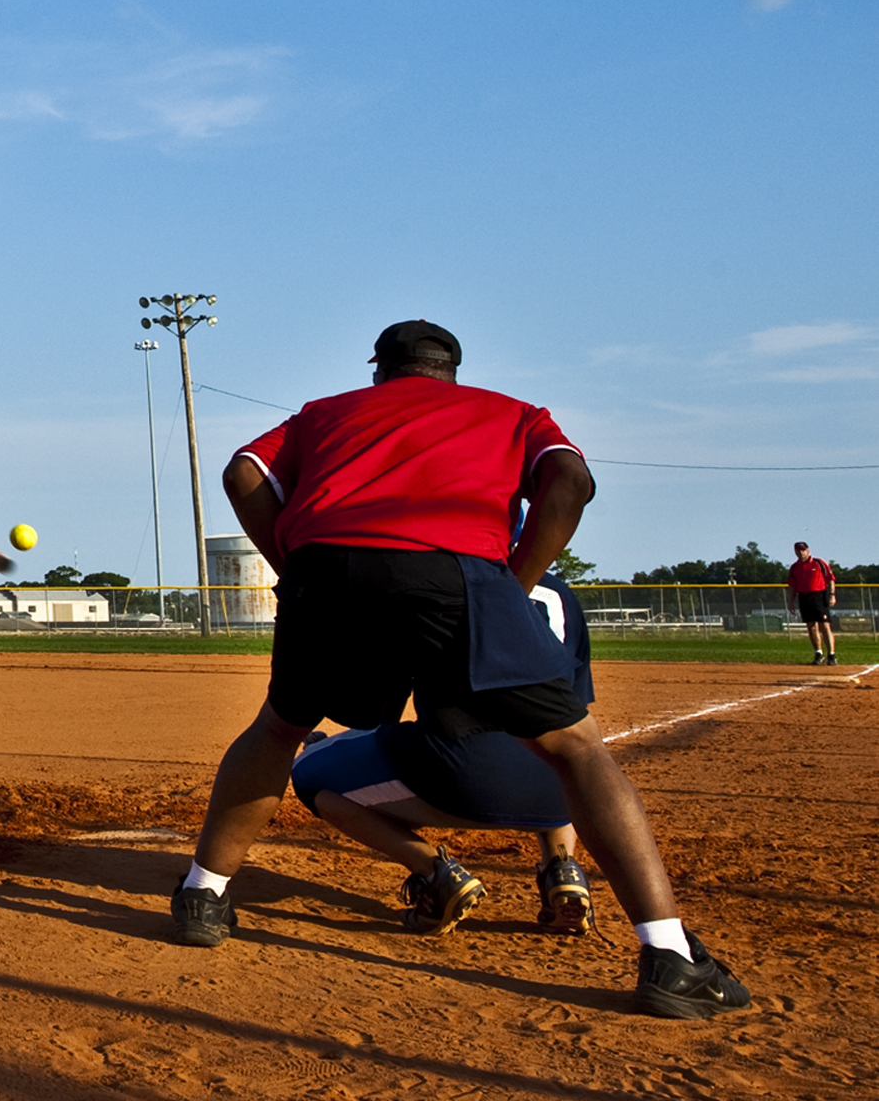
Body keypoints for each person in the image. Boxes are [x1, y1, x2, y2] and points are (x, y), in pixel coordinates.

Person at [173, 320, 749, 1020]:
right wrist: (515, 581)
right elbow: (570, 480)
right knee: (573, 747)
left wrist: (295, 561)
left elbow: (243, 473)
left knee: (281, 727)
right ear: (452, 371)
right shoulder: (513, 413)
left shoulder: (324, 414)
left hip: (328, 568)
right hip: (460, 570)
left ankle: (203, 895)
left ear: (378, 370)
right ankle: (667, 957)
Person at [289, 572, 595, 936]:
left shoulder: (430, 578)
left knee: (309, 773)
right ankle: (562, 869)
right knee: (558, 754)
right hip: (564, 790)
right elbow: (577, 707)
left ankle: (435, 872)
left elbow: (381, 710)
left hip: (461, 775)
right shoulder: (560, 594)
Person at [786, 541, 836, 667]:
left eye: (803, 550)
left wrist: (832, 595)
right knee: (811, 626)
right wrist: (790, 602)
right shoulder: (794, 567)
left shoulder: (819, 563)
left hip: (819, 596)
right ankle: (818, 653)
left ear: (808, 551)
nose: (801, 553)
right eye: (798, 551)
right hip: (804, 597)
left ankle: (831, 655)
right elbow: (792, 586)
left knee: (824, 626)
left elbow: (830, 580)